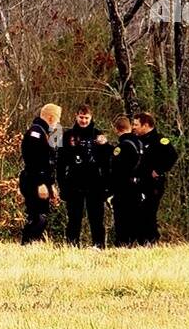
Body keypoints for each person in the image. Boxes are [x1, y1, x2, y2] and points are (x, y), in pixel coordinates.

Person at [57, 104, 110, 248]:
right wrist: (62, 186)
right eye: (81, 117)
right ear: (76, 116)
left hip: (95, 183)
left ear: (91, 117)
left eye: (86, 118)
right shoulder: (67, 136)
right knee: (74, 218)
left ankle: (99, 245)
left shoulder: (98, 135)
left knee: (96, 218)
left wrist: (107, 187)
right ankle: (71, 245)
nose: (84, 121)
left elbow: (107, 163)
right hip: (74, 182)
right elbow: (60, 163)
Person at [131, 112, 178, 245]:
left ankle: (151, 241)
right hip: (139, 183)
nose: (133, 127)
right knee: (138, 213)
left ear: (145, 125)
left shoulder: (159, 140)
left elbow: (173, 156)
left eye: (136, 125)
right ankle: (141, 242)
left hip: (153, 185)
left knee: (149, 213)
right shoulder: (137, 140)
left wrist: (159, 170)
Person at [20, 104, 61, 245]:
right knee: (37, 218)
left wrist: (50, 186)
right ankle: (26, 245)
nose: (58, 123)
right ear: (50, 117)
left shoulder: (45, 133)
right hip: (33, 181)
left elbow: (47, 164)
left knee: (42, 217)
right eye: (57, 119)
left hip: (42, 182)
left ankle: (32, 245)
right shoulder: (35, 133)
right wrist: (40, 184)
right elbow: (34, 163)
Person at [108, 116, 143, 248]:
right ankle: (134, 244)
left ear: (117, 129)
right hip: (138, 187)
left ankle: (122, 245)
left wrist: (110, 190)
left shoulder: (121, 147)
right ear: (130, 128)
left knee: (122, 220)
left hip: (123, 189)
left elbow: (115, 171)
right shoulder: (140, 144)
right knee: (135, 218)